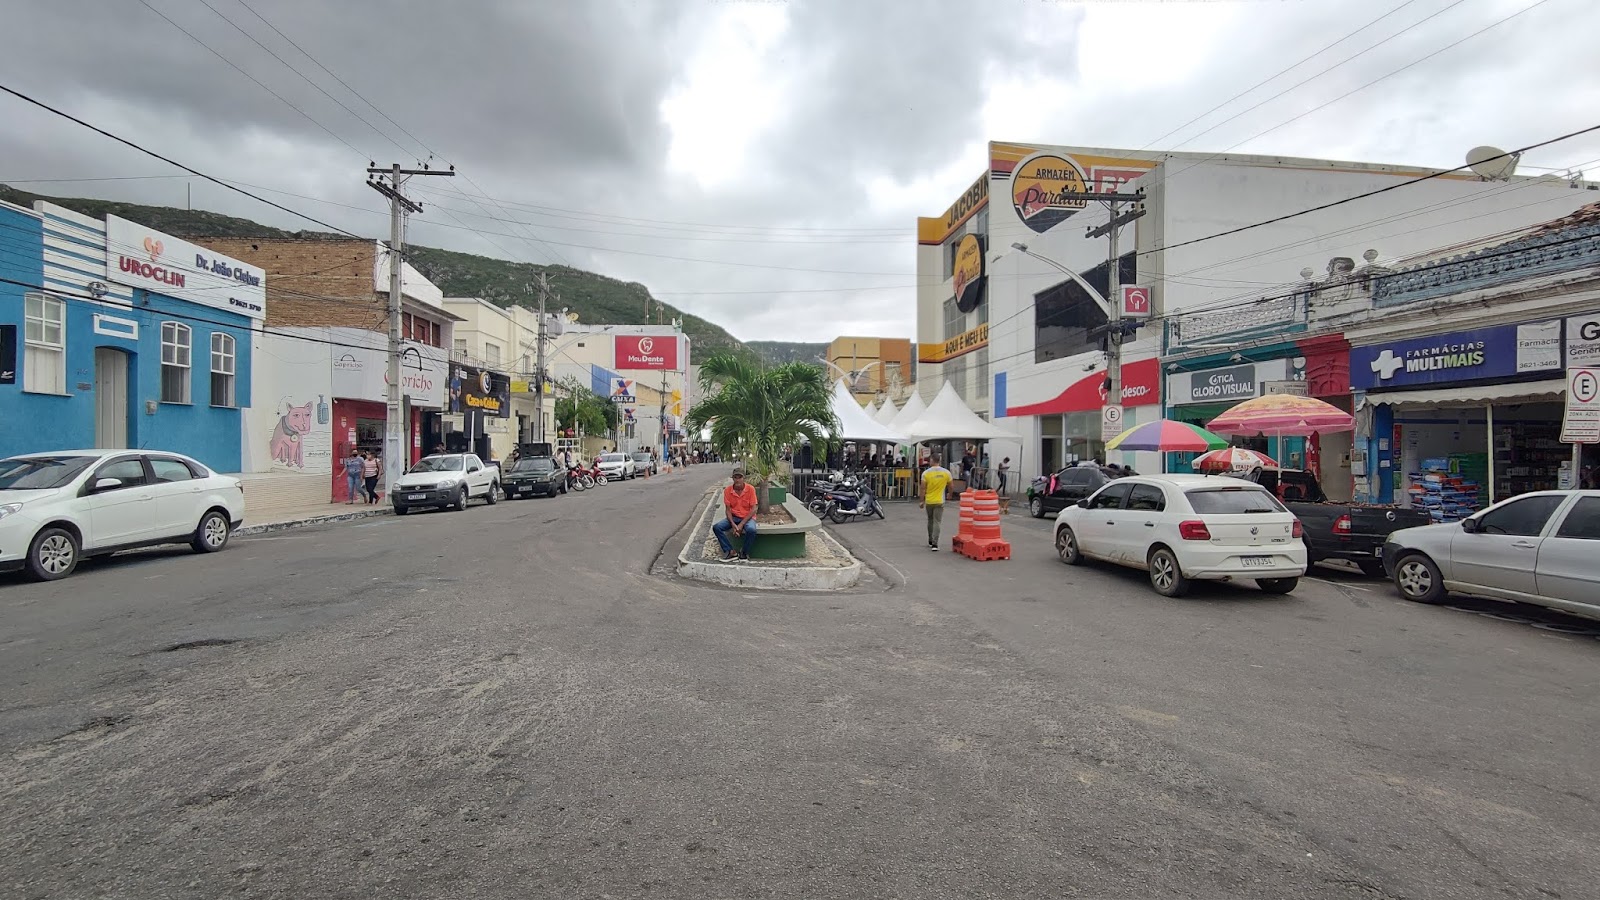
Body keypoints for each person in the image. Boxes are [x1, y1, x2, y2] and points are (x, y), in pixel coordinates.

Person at [713, 469, 760, 561]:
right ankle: (730, 551)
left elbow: (754, 509)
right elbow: (728, 510)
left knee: (751, 530)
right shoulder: (728, 490)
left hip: (747, 517)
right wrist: (733, 524)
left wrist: (741, 525)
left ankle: (744, 553)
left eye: (740, 477)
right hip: (734, 517)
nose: (738, 480)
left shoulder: (750, 489)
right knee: (717, 527)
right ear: (733, 478)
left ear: (744, 478)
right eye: (735, 477)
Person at [920, 452, 953, 551]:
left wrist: (922, 501)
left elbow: (922, 489)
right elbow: (951, 486)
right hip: (940, 500)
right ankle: (935, 543)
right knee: (937, 522)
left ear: (932, 460)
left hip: (929, 501)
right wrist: (949, 494)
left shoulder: (926, 473)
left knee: (930, 520)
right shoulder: (946, 473)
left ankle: (930, 540)